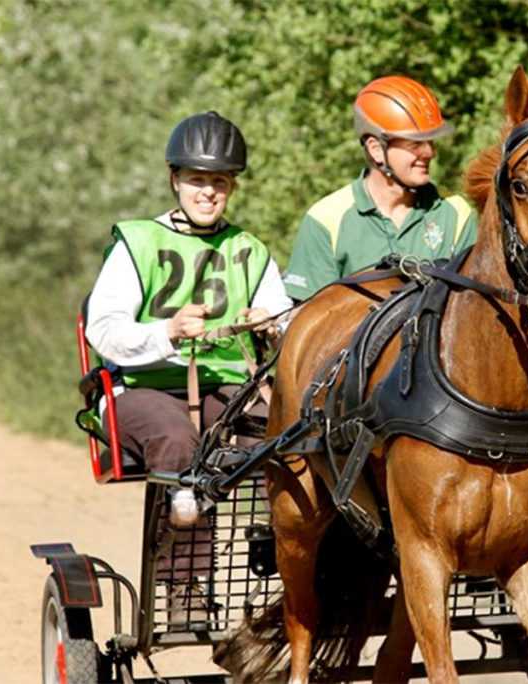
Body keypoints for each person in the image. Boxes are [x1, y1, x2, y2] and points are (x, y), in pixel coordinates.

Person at [85, 111, 292, 625]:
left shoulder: (250, 249)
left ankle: (285, 573)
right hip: (141, 388)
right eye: (196, 180)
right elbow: (102, 330)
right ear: (174, 179)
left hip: (228, 388)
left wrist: (273, 326)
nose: (207, 192)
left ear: (232, 187)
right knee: (182, 445)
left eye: (219, 182)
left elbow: (290, 326)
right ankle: (184, 588)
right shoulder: (137, 242)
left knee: (287, 438)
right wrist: (167, 333)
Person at [282, 75, 477, 302]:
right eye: (416, 144)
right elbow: (309, 324)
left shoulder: (454, 214)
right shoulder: (324, 221)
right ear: (376, 149)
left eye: (431, 142)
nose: (429, 153)